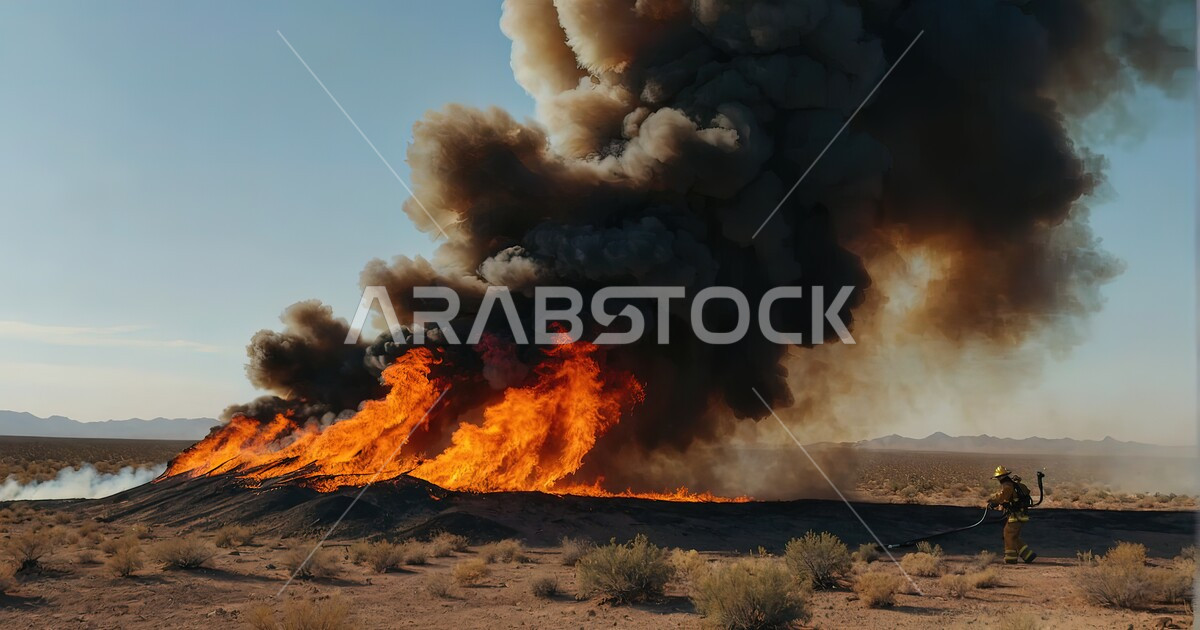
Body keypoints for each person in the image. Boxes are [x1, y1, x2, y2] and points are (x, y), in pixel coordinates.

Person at [986, 465, 1037, 564]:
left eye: (998, 477)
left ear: (1001, 477)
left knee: (1008, 534)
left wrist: (993, 501)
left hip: (1015, 515)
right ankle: (1028, 555)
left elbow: (1002, 496)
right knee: (1014, 536)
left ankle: (1011, 558)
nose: (998, 479)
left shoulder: (1008, 485)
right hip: (1020, 514)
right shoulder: (1012, 485)